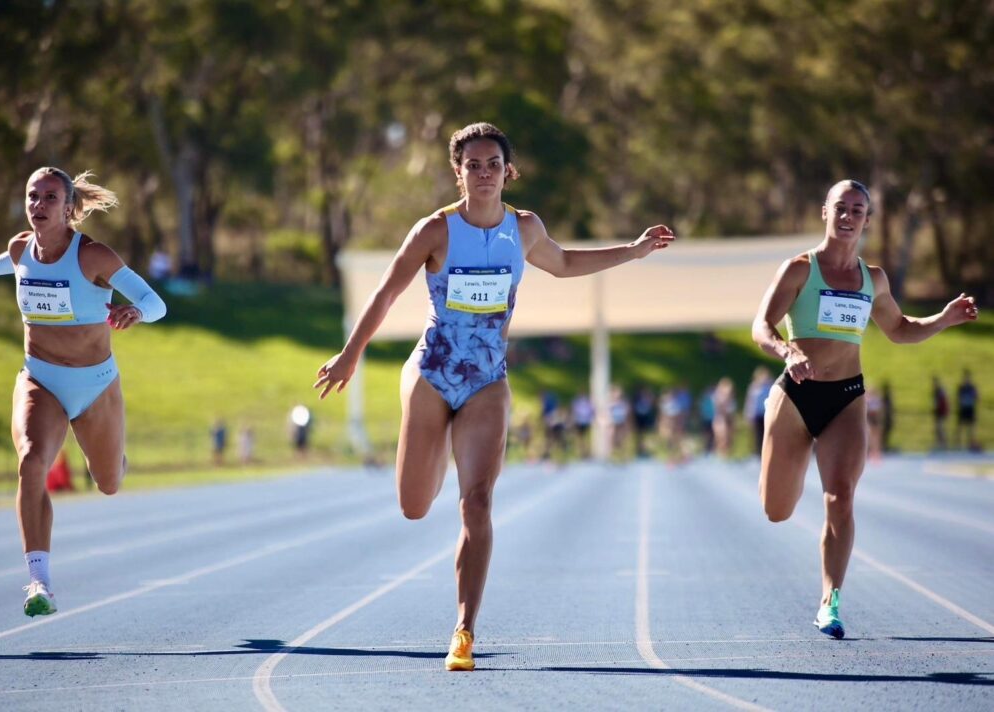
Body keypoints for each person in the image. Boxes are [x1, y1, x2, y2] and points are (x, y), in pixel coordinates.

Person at [313, 122, 674, 671]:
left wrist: (634, 250)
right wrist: (350, 353)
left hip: (486, 380)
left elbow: (566, 263)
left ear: (509, 171)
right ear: (457, 173)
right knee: (414, 507)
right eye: (473, 165)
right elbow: (386, 291)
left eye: (493, 164)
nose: (484, 173)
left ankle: (464, 630)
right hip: (433, 372)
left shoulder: (523, 229)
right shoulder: (435, 230)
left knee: (477, 501)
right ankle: (432, 449)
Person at [0, 167, 166, 617]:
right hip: (40, 379)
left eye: (49, 198)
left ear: (68, 207)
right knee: (31, 461)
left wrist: (135, 311)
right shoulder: (20, 246)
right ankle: (39, 581)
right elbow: (12, 263)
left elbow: (157, 302)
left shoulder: (93, 256)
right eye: (32, 196)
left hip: (95, 385)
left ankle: (115, 457)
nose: (38, 205)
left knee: (109, 483)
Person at [752, 179, 977, 640]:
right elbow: (761, 325)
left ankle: (829, 601)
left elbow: (899, 329)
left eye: (858, 209)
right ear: (825, 212)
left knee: (841, 495)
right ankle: (787, 485)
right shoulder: (799, 269)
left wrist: (944, 319)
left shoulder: (872, 279)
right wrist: (786, 352)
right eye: (841, 206)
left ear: (868, 220)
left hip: (847, 397)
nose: (849, 215)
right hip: (796, 395)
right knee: (777, 509)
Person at [743, 366, 773, 458]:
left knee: (767, 435)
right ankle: (757, 454)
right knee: (757, 435)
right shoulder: (754, 386)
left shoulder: (771, 385)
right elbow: (750, 402)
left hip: (766, 414)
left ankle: (767, 454)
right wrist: (748, 414)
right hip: (756, 415)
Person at [955, 369, 979, 451]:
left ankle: (971, 444)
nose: (966, 380)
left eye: (968, 378)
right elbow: (958, 398)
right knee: (960, 427)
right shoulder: (961, 388)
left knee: (971, 428)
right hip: (963, 408)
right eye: (965, 378)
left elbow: (976, 397)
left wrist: (972, 398)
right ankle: (958, 445)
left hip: (970, 409)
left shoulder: (972, 387)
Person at [932, 376, 949, 451]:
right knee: (938, 429)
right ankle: (940, 443)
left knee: (940, 428)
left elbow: (943, 402)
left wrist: (943, 411)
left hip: (941, 412)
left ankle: (943, 444)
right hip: (937, 412)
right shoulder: (935, 391)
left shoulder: (940, 391)